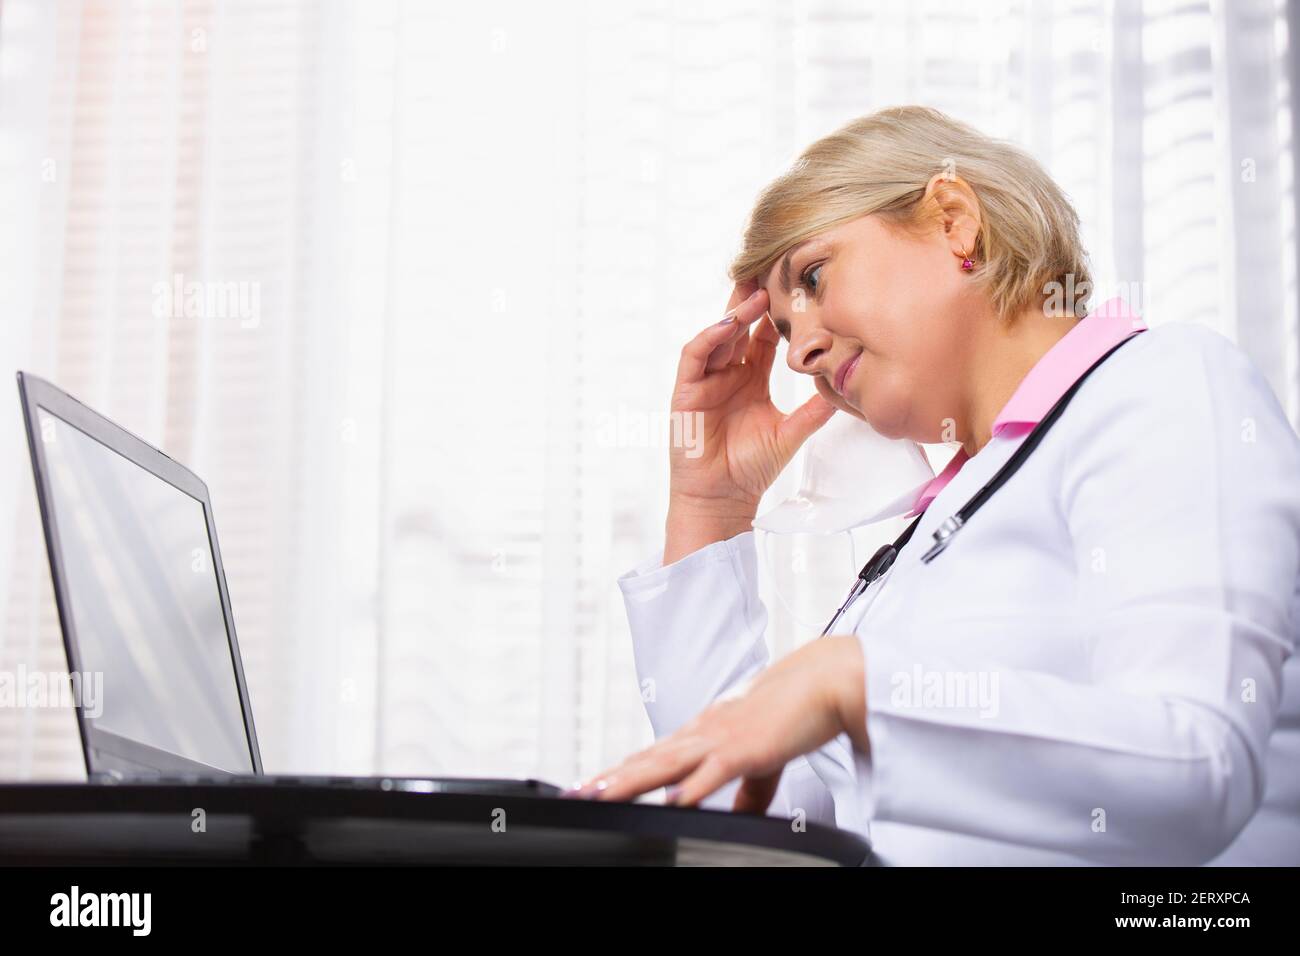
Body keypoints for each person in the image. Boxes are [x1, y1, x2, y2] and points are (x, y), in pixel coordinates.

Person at [565, 105, 1300, 865]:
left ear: (954, 221)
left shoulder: (1162, 384)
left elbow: (1197, 764)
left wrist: (853, 686)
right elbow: (755, 817)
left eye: (814, 278)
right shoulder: (938, 525)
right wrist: (708, 507)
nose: (798, 355)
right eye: (783, 329)